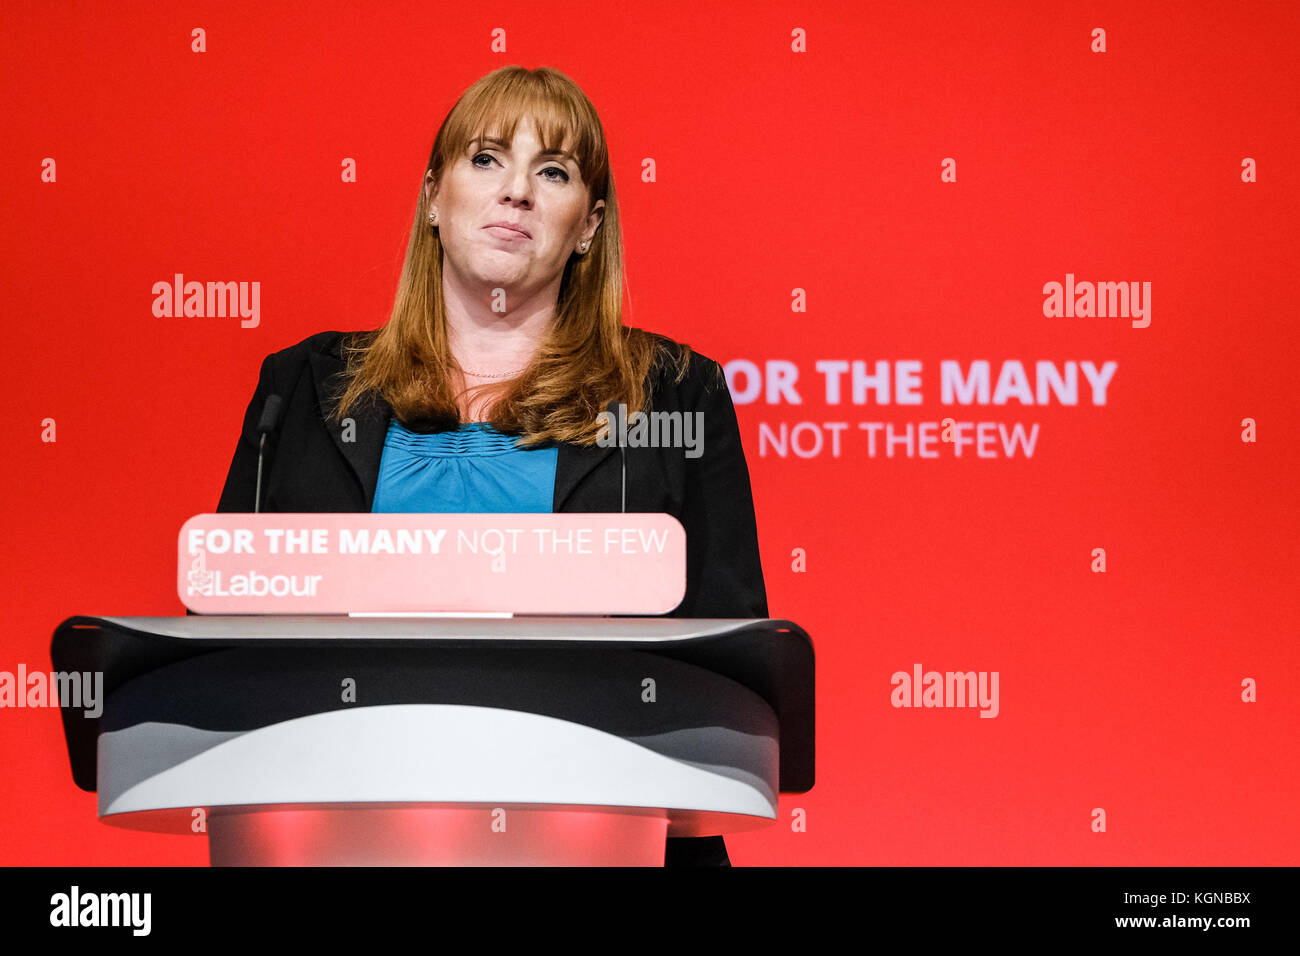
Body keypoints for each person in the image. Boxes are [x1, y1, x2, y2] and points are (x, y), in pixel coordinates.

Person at [216, 65, 767, 867]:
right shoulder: (300, 385)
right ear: (433, 197)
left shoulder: (672, 392)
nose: (517, 192)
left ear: (588, 226)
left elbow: (729, 669)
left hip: (598, 833)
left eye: (553, 172)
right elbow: (225, 644)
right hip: (338, 830)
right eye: (486, 159)